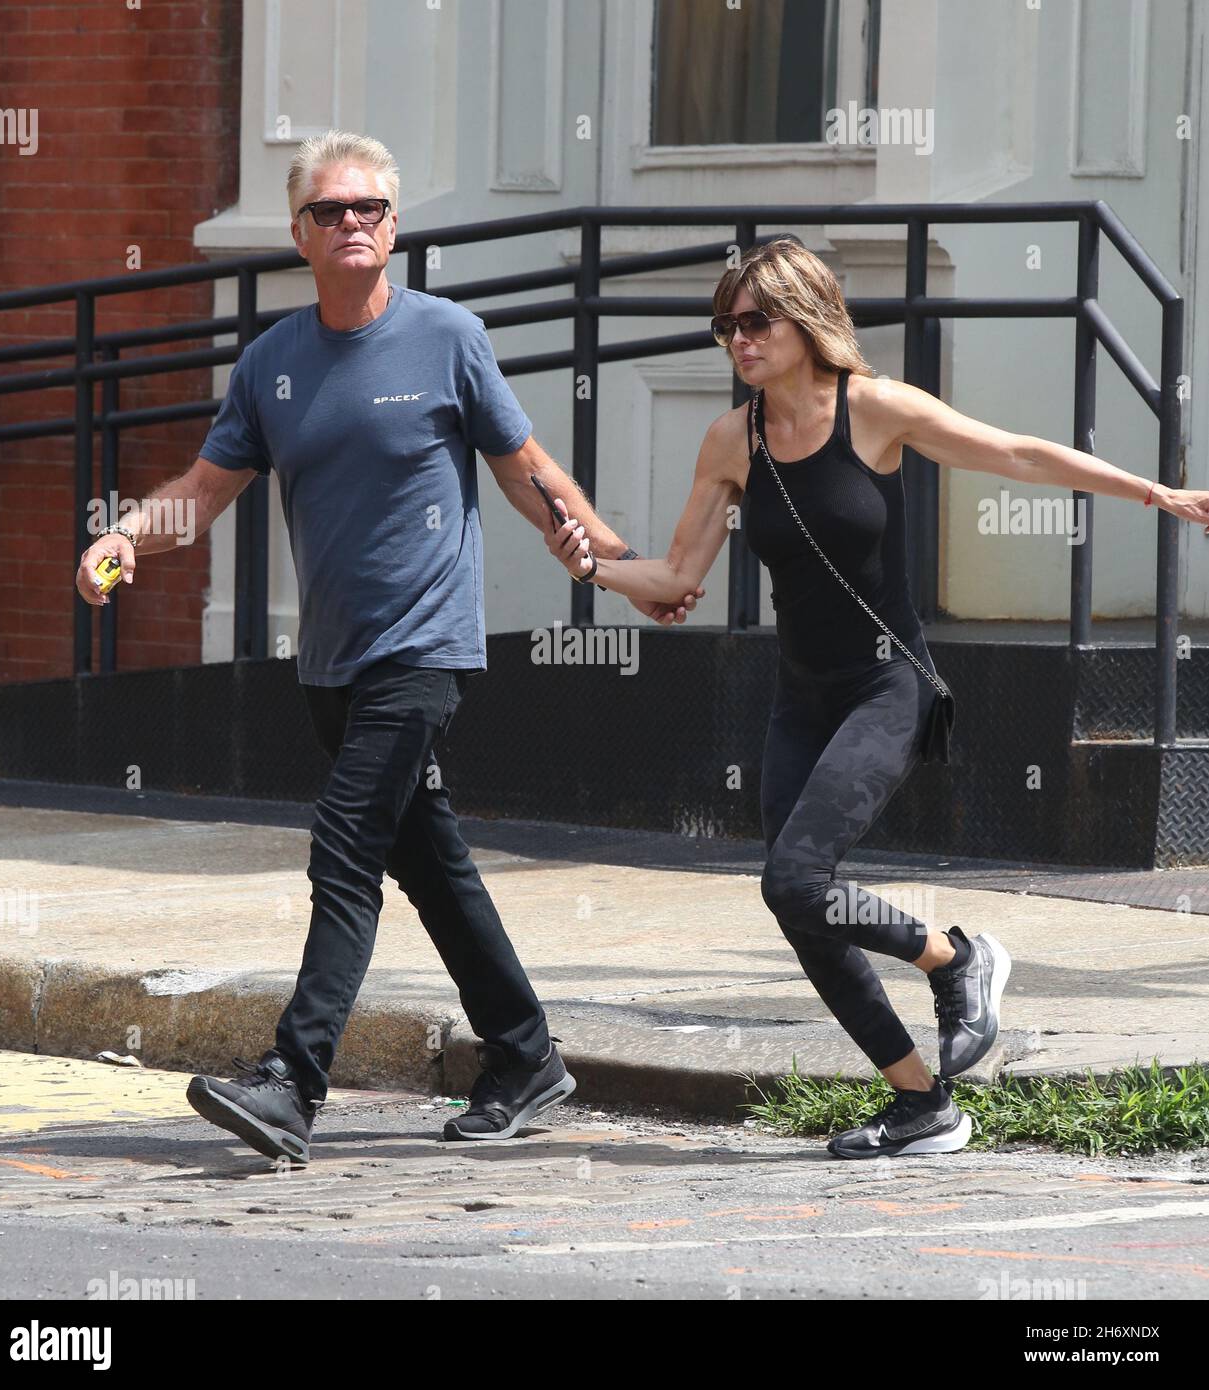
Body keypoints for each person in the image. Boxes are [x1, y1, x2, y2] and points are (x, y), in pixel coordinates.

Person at [74, 129, 698, 1164]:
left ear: (394, 228)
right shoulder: (271, 364)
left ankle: (291, 1082)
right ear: (300, 235)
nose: (352, 222)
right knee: (432, 864)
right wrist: (126, 535)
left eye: (369, 208)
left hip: (423, 649)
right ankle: (525, 1054)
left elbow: (525, 471)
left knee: (346, 847)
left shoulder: (448, 336)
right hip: (331, 659)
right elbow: (205, 490)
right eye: (331, 211)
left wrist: (618, 566)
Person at [554, 235, 1209, 1160]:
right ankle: (921, 1102)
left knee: (793, 878)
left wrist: (1155, 493)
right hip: (801, 697)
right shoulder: (727, 439)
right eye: (723, 327)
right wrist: (594, 567)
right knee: (796, 902)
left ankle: (957, 958)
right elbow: (673, 579)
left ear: (805, 320)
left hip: (886, 684)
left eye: (754, 321)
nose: (736, 340)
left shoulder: (873, 409)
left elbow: (1014, 455)